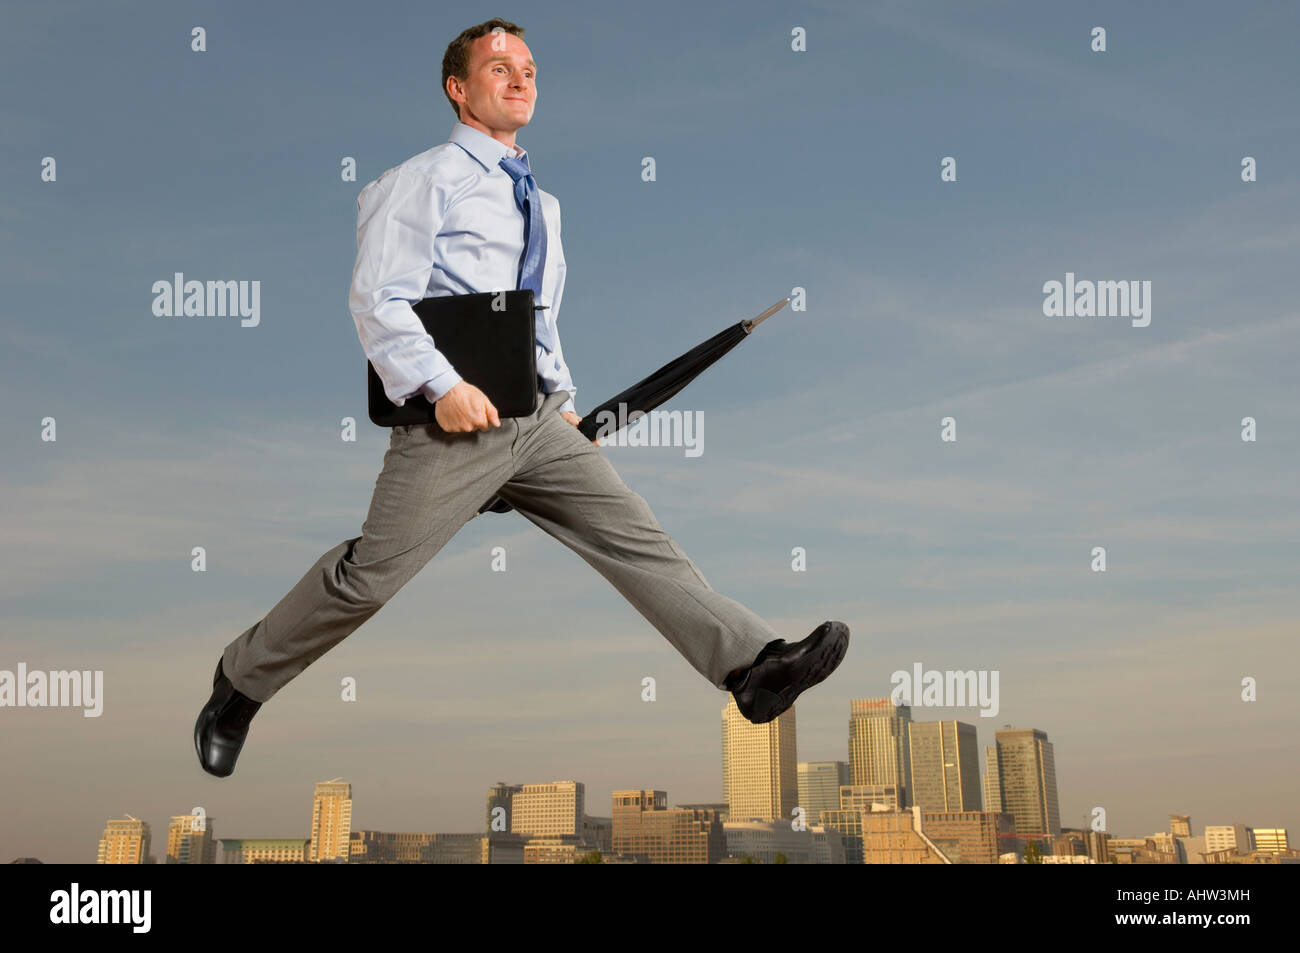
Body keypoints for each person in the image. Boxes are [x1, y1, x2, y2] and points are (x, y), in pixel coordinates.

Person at [194, 17, 849, 778]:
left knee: (633, 534)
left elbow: (536, 313)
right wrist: (441, 387)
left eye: (530, 68)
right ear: (459, 89)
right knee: (369, 576)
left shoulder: (544, 203)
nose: (520, 79)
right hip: (454, 427)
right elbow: (377, 299)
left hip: (535, 418)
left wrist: (562, 397)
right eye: (499, 67)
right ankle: (240, 682)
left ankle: (752, 669)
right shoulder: (420, 181)